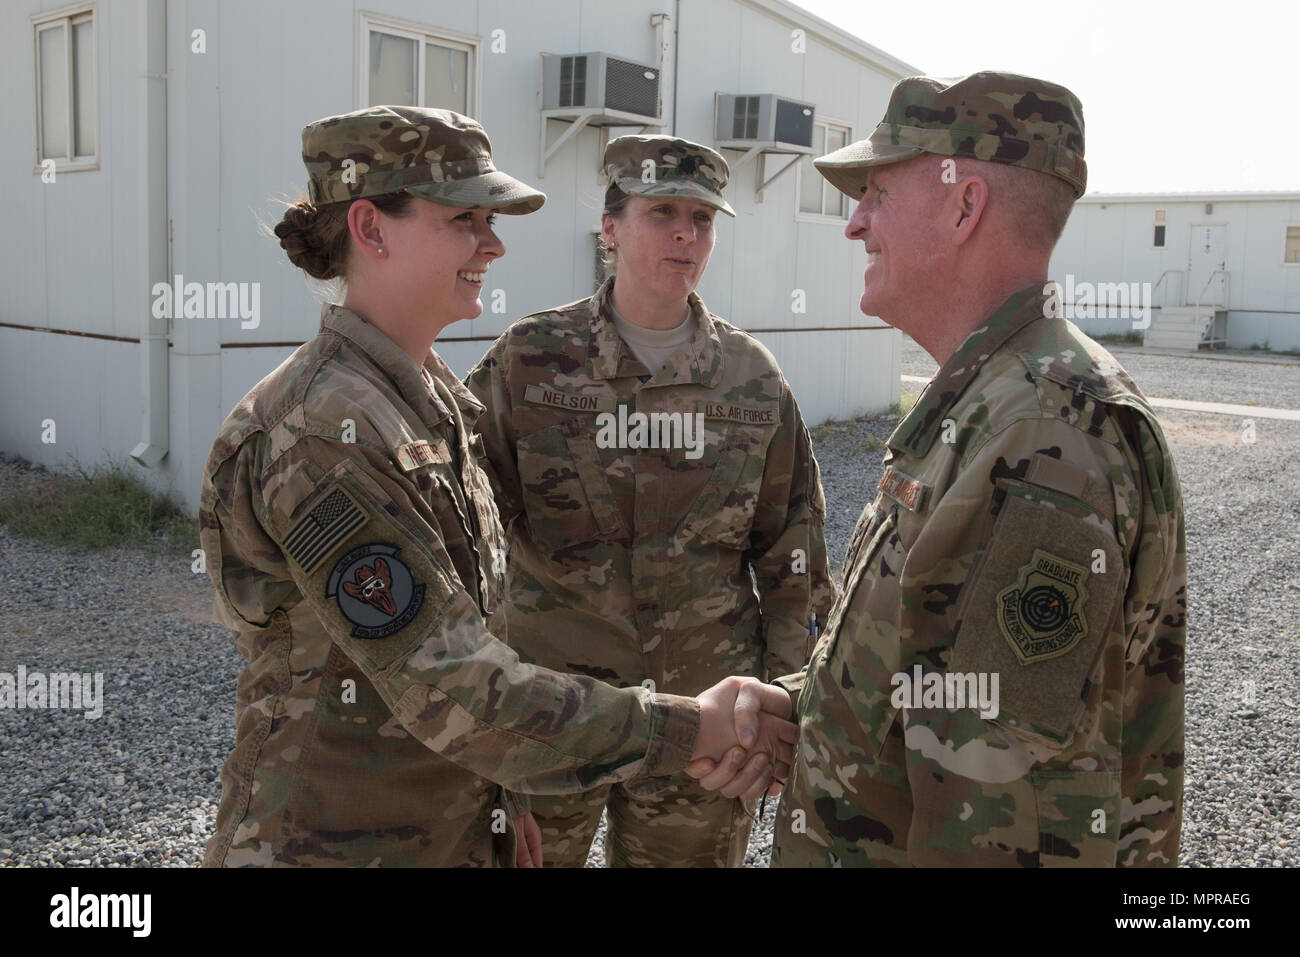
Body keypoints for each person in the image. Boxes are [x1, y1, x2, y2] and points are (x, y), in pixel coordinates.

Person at [199, 106, 793, 868]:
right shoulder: (325, 431)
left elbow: (479, 623)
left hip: (439, 830)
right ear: (371, 230)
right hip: (331, 843)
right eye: (464, 219)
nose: (494, 243)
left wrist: (502, 809)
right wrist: (689, 728)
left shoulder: (433, 404)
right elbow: (451, 685)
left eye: (491, 218)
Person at [688, 71, 1186, 867]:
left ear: (964, 207)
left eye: (878, 193)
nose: (855, 224)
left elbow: (1007, 824)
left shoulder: (1041, 437)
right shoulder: (990, 405)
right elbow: (927, 683)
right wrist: (796, 707)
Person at [465, 135, 836, 867]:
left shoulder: (750, 381)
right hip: (555, 714)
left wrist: (782, 700)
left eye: (703, 219)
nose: (685, 235)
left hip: (703, 726)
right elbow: (462, 529)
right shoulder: (532, 360)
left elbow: (793, 553)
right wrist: (478, 700)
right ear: (609, 228)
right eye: (662, 211)